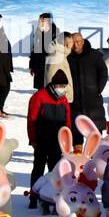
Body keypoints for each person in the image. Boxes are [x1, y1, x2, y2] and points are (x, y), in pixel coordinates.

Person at [27, 70, 73, 204]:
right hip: (41, 140)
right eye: (59, 86)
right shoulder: (39, 96)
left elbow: (67, 121)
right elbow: (32, 119)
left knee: (55, 171)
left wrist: (67, 141)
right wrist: (33, 139)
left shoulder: (63, 100)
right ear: (53, 85)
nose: (61, 89)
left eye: (63, 86)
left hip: (57, 142)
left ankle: (52, 198)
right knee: (38, 169)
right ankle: (34, 197)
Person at [67, 32, 108, 139]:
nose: (76, 45)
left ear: (83, 41)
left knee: (95, 135)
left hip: (93, 100)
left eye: (78, 42)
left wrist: (98, 88)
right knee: (76, 134)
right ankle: (78, 154)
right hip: (75, 102)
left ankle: (96, 155)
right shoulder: (67, 57)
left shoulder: (94, 55)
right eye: (74, 42)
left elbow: (103, 72)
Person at [28, 12, 60, 91]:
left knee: (49, 90)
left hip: (49, 68)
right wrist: (32, 66)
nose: (40, 22)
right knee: (41, 90)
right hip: (39, 67)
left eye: (42, 21)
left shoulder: (55, 33)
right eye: (40, 21)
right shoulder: (39, 32)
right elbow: (35, 50)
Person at [44, 31, 74, 104]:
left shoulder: (60, 54)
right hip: (59, 100)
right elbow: (51, 79)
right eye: (72, 42)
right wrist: (62, 97)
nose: (73, 45)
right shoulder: (57, 57)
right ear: (66, 44)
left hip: (60, 98)